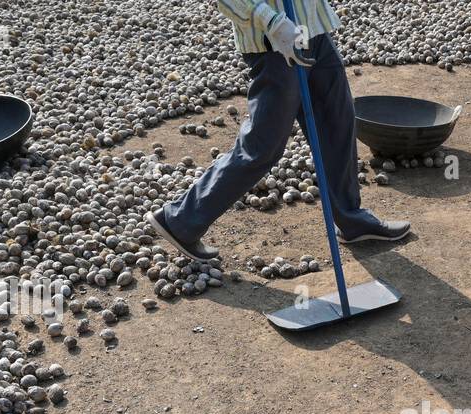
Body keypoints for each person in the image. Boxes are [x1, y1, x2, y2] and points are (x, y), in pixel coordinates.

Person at [147, 0, 410, 263]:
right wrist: (272, 22)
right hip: (274, 43)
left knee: (336, 124)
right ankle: (180, 220)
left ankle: (351, 219)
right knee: (263, 146)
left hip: (312, 30)